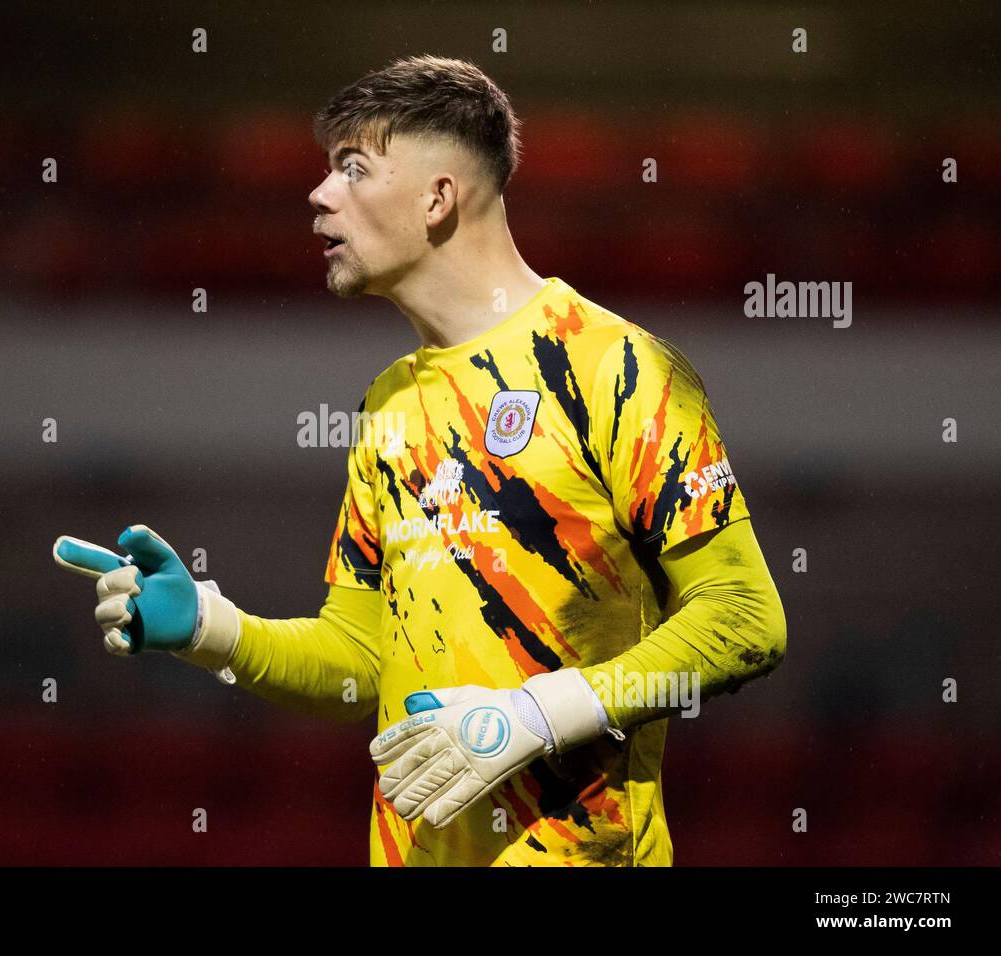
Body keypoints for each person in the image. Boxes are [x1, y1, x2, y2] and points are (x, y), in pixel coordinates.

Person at [55, 54, 786, 866]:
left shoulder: (612, 366)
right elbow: (362, 658)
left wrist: (538, 715)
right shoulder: (386, 406)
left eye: (352, 169)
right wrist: (213, 628)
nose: (319, 194)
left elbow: (745, 621)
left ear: (438, 198)